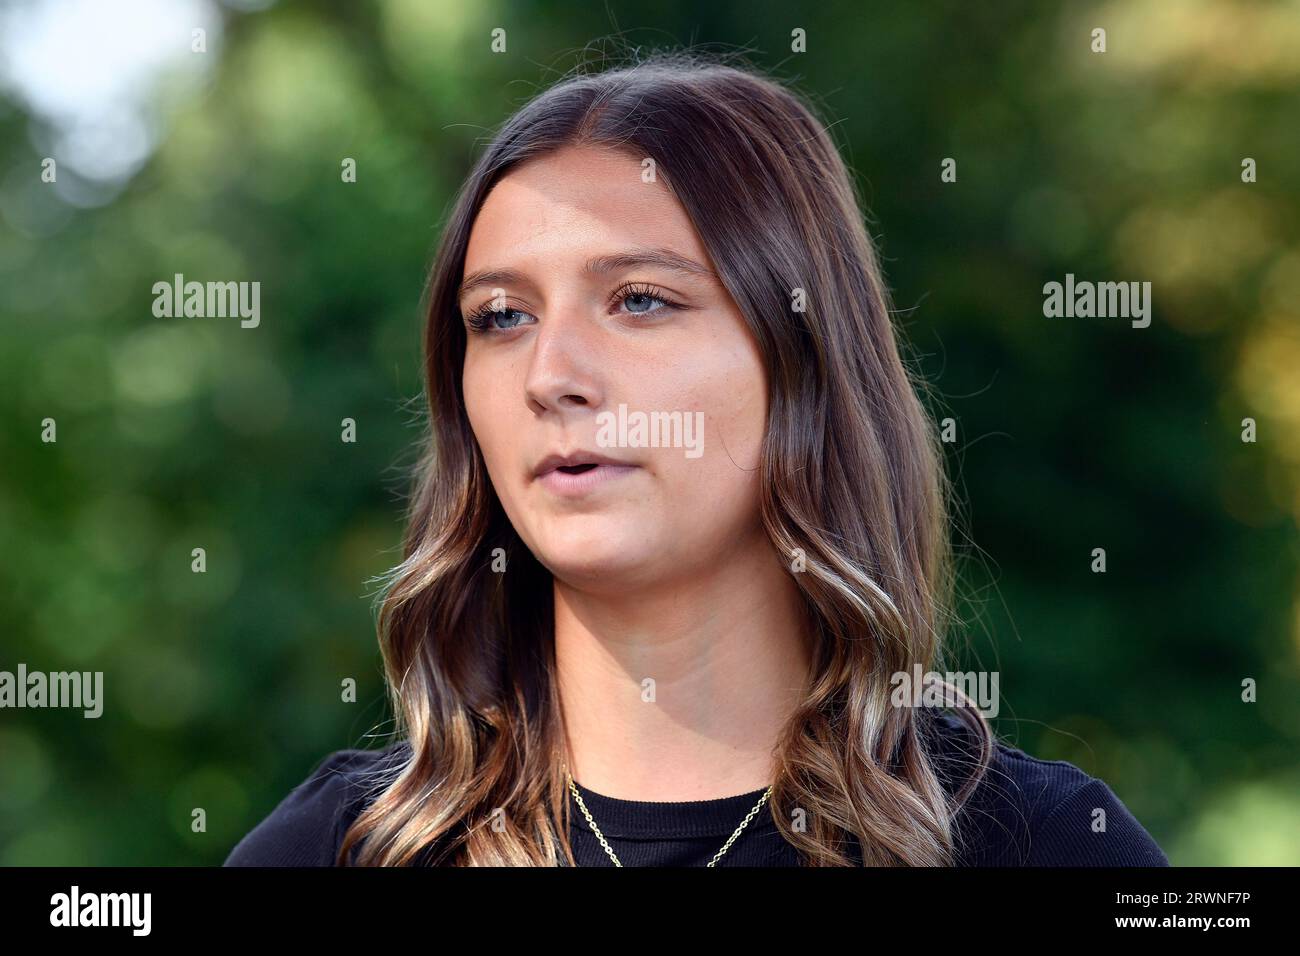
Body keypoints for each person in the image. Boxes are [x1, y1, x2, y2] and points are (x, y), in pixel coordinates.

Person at [226, 50, 1169, 867]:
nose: (550, 376)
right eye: (501, 317)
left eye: (639, 299)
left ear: (800, 351)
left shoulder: (1038, 846)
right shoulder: (345, 847)